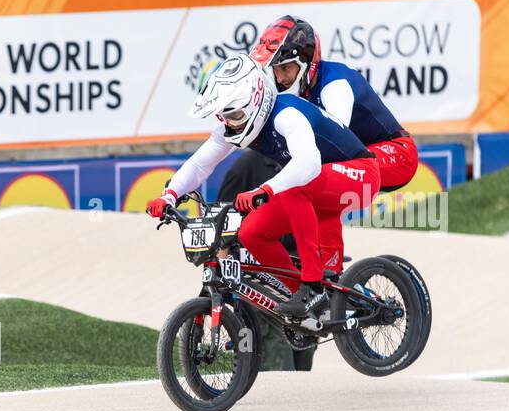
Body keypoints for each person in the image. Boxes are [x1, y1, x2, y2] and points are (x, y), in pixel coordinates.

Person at [146, 54, 380, 321]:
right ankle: (307, 303)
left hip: (360, 174)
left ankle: (312, 286)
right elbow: (199, 165)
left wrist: (264, 190)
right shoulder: (234, 125)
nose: (230, 122)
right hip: (319, 186)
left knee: (294, 185)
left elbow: (309, 163)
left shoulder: (287, 114)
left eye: (234, 114)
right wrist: (170, 195)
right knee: (252, 232)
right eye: (224, 116)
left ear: (255, 102)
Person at [251, 15, 418, 192]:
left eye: (285, 68)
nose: (280, 78)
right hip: (363, 153)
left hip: (399, 154)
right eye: (275, 69)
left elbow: (334, 146)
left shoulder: (335, 86)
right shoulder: (303, 83)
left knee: (312, 175)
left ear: (307, 63)